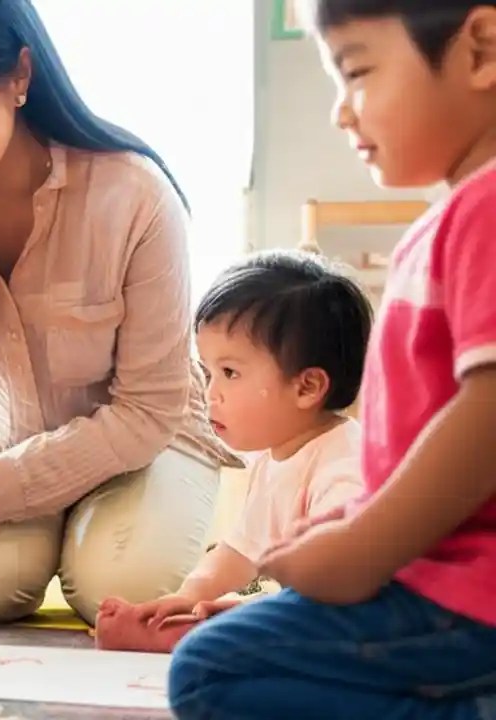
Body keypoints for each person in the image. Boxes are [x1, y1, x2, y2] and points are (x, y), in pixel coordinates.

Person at [0, 0, 239, 624]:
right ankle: (55, 531)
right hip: (8, 444)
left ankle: (202, 543)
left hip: (151, 443)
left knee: (119, 586)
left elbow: (148, 409)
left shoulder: (133, 195)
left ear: (18, 77)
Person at [168, 2, 496, 717]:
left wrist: (360, 549)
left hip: (468, 587)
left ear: (481, 49)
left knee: (212, 671)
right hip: (438, 582)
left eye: (357, 73)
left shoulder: (487, 208)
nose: (341, 115)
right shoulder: (443, 225)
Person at [94, 250, 372, 654]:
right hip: (311, 609)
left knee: (247, 629)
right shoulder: (274, 458)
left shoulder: (344, 467)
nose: (212, 393)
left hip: (358, 623)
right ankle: (193, 630)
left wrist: (249, 606)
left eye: (230, 373)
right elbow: (238, 550)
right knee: (231, 618)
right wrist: (188, 596)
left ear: (307, 387)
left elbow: (342, 585)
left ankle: (190, 637)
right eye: (208, 372)